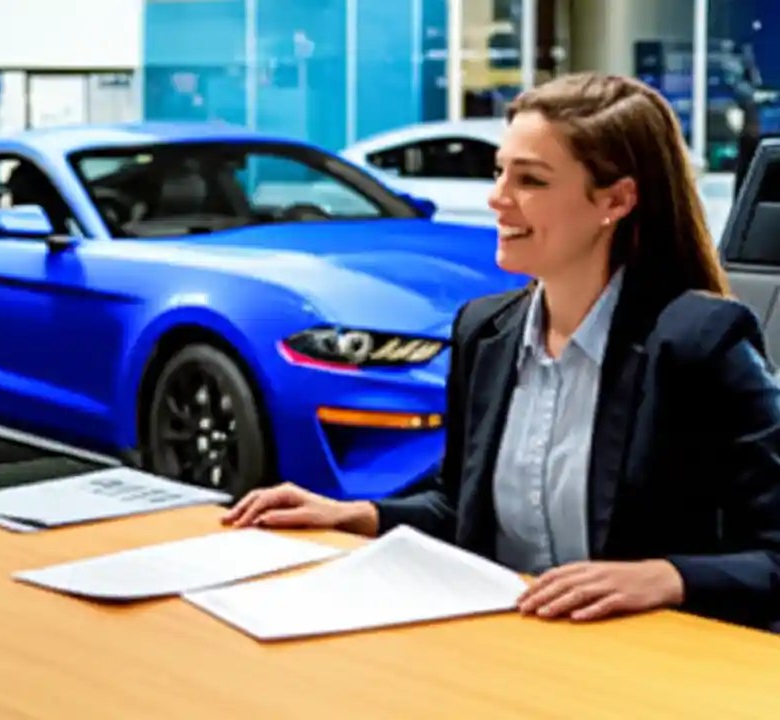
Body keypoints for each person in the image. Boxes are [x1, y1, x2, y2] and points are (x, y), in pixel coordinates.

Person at [224, 72, 780, 632]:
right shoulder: (486, 331)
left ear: (616, 199)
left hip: (650, 668)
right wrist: (355, 514)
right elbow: (460, 509)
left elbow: (773, 557)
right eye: (499, 172)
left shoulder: (699, 344)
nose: (497, 198)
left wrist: (664, 577)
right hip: (510, 647)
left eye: (531, 180)